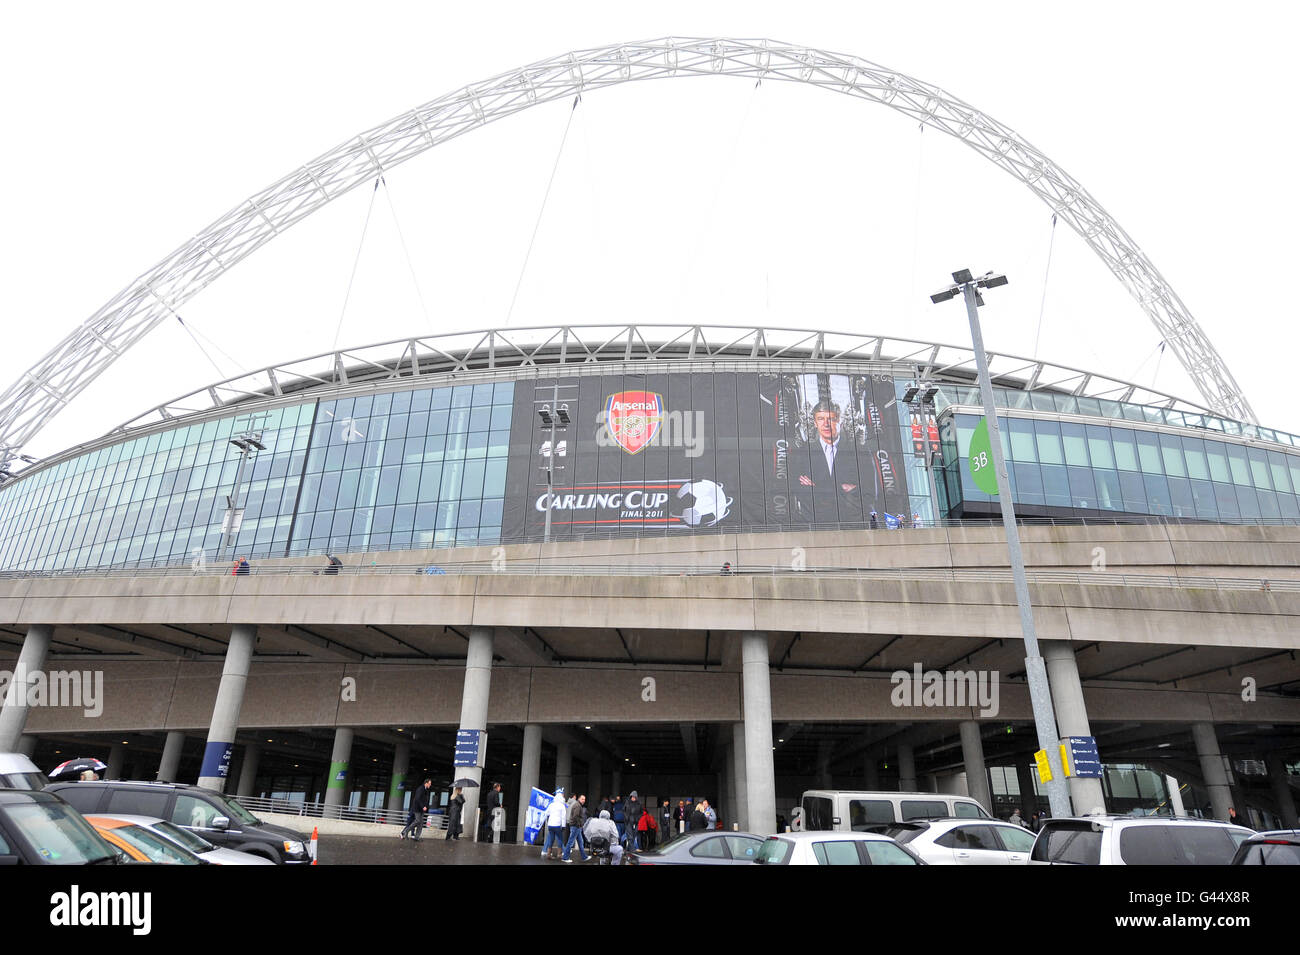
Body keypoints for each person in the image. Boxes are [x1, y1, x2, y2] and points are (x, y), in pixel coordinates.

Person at [795, 401, 861, 522]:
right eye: (820, 419)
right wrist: (842, 490)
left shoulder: (856, 451)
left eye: (830, 419)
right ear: (815, 423)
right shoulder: (804, 452)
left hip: (850, 522)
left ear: (839, 422)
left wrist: (816, 487)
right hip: (816, 522)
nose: (826, 424)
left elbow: (868, 489)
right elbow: (800, 491)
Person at [542, 788, 567, 860]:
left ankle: (548, 854)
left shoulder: (551, 805)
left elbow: (546, 813)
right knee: (560, 839)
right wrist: (563, 826)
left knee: (551, 839)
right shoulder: (562, 806)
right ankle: (559, 854)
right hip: (557, 825)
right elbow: (563, 817)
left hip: (550, 825)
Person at [563, 793, 589, 863]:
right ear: (579, 799)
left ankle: (584, 857)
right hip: (575, 826)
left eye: (584, 799)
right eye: (582, 799)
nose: (584, 800)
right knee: (570, 842)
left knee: (580, 842)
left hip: (576, 826)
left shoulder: (577, 805)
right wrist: (579, 824)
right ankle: (565, 857)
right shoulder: (578, 806)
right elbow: (575, 817)